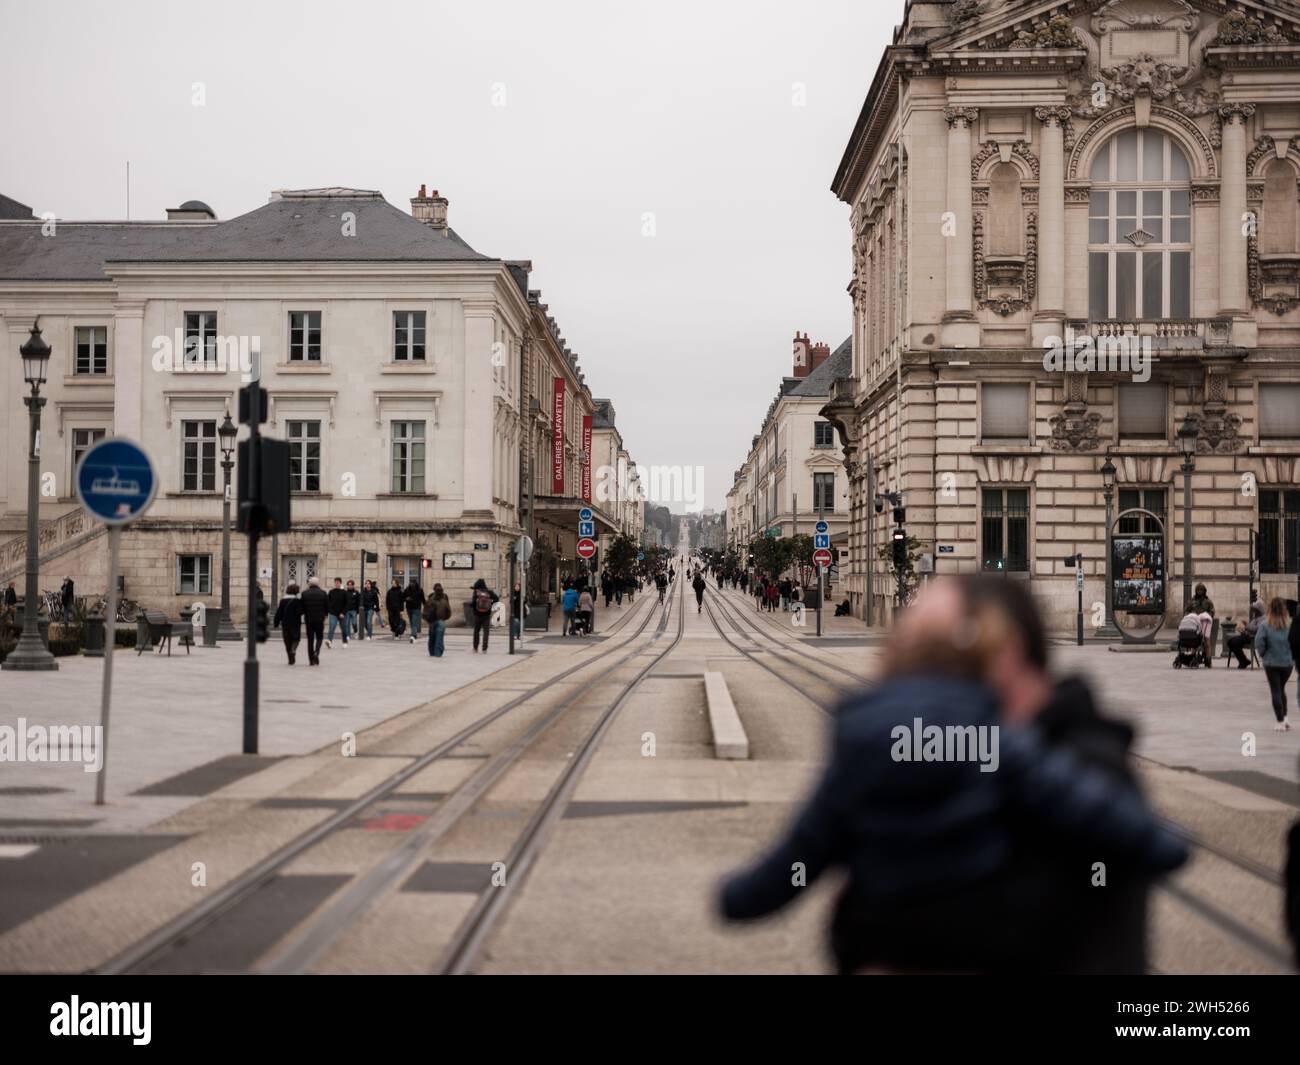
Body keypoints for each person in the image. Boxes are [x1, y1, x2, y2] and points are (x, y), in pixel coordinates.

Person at [720, 575, 1187, 974]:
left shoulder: (1082, 760)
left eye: (926, 639)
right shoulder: (1002, 748)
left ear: (1003, 650)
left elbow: (797, 862)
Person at [1254, 596, 1294, 731]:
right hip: (1287, 664)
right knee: (1281, 688)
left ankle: (1280, 721)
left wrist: (1263, 654)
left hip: (1272, 663)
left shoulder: (1265, 625)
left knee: (1276, 690)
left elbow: (1259, 642)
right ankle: (1286, 717)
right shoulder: (1290, 624)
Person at [1228, 598, 1265, 669]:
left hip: (1252, 638)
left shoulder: (1263, 619)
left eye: (1255, 610)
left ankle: (1243, 661)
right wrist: (1243, 631)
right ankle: (1244, 660)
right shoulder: (1255, 618)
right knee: (1230, 642)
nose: (1254, 611)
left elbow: (1256, 629)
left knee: (1234, 643)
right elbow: (1250, 629)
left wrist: (1246, 625)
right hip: (1248, 636)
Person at [300, 576, 329, 666]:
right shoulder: (323, 593)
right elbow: (327, 606)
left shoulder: (304, 593)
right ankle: (316, 652)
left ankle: (311, 660)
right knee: (320, 637)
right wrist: (325, 615)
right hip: (320, 619)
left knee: (310, 639)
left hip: (309, 619)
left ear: (309, 583)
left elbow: (302, 608)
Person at [274, 584, 303, 665]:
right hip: (295, 624)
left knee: (287, 641)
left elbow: (279, 613)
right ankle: (293, 650)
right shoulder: (297, 601)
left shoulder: (283, 601)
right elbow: (300, 612)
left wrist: (276, 623)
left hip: (285, 624)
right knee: (296, 639)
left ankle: (290, 660)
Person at [470, 578, 499, 653]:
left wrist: (472, 606)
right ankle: (484, 648)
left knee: (476, 631)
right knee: (486, 632)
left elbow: (473, 603)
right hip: (487, 614)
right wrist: (490, 604)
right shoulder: (489, 592)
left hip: (477, 614)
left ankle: (475, 648)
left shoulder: (476, 592)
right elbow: (496, 598)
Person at [424, 583, 452, 657]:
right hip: (440, 621)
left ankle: (432, 652)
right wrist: (443, 618)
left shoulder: (430, 599)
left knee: (432, 637)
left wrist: (428, 620)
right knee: (439, 638)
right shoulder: (444, 600)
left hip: (432, 622)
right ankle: (438, 653)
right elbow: (449, 613)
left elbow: (424, 612)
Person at [325, 578, 349, 648]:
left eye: (338, 582)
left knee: (343, 628)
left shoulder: (344, 592)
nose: (336, 583)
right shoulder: (331, 592)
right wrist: (329, 610)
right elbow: (328, 602)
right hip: (333, 613)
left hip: (342, 614)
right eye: (335, 582)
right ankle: (329, 641)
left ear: (340, 583)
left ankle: (344, 641)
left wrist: (343, 613)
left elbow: (347, 604)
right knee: (332, 627)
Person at [404, 580, 426, 644]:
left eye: (413, 583)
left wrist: (426, 606)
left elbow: (423, 599)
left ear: (416, 584)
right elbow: (402, 597)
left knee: (414, 622)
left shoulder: (420, 590)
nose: (412, 584)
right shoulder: (407, 590)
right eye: (411, 583)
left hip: (417, 608)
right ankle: (414, 635)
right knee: (412, 622)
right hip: (409, 608)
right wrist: (406, 599)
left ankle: (412, 636)